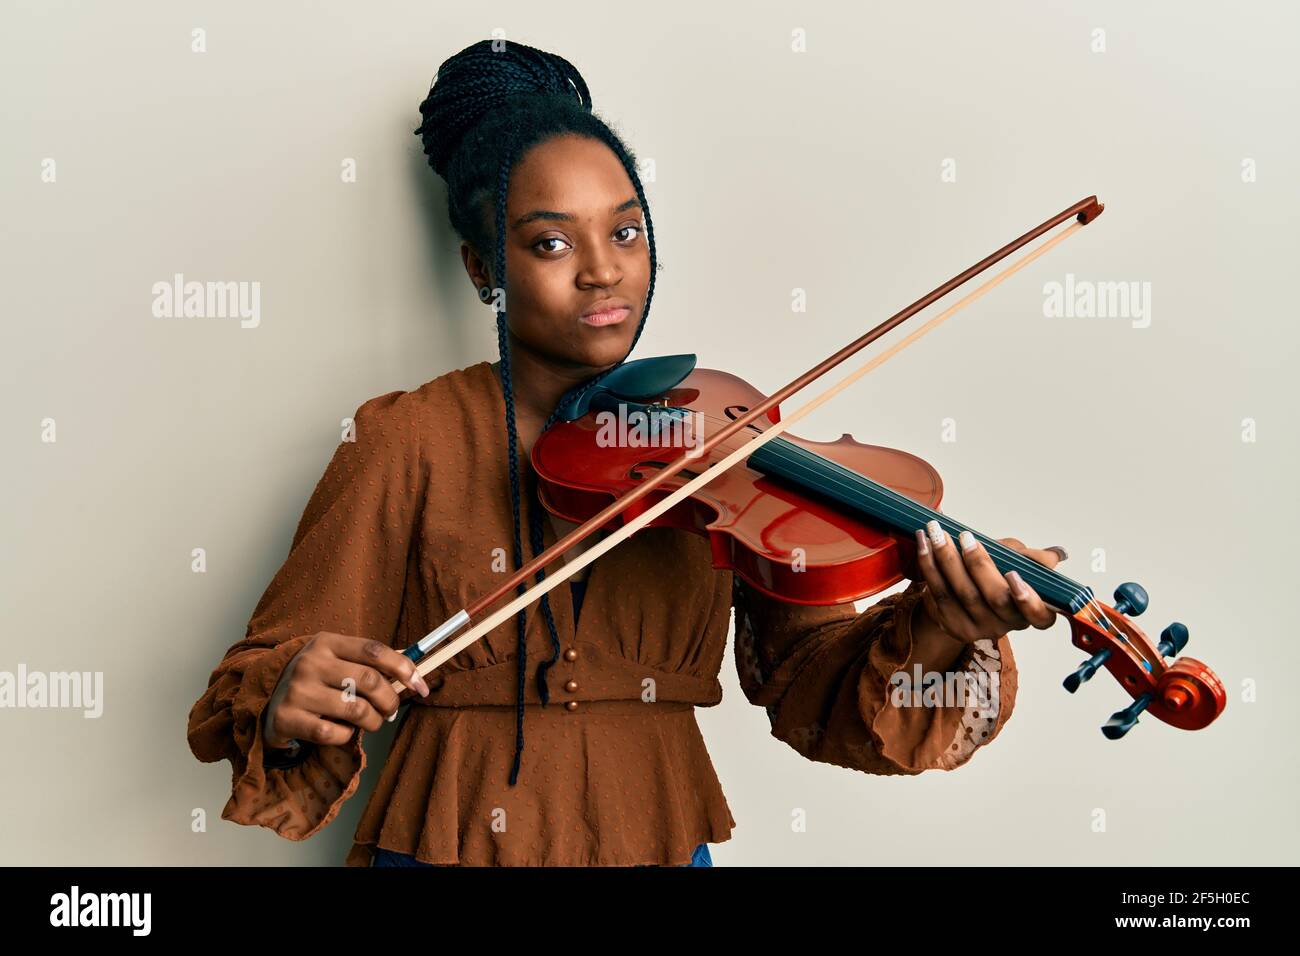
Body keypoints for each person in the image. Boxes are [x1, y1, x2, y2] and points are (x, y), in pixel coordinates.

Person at [186, 39, 1066, 867]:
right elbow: (264, 671)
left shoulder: (723, 439)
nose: (603, 271)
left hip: (656, 831)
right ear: (482, 268)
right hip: (450, 837)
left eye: (628, 231)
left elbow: (813, 690)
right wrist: (289, 696)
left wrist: (946, 626)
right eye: (550, 242)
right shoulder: (405, 437)